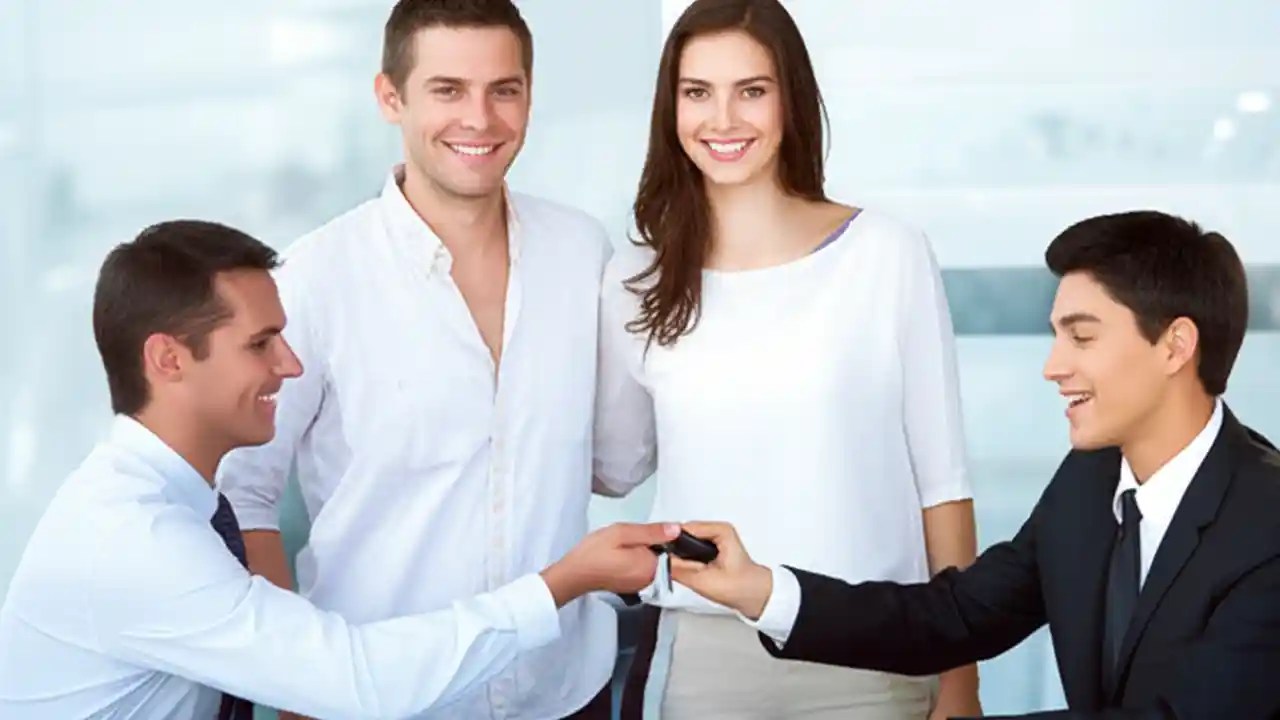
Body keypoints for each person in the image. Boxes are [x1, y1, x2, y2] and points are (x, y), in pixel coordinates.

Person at [0, 220, 677, 719]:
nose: (290, 367)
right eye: (260, 344)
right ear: (169, 361)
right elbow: (354, 681)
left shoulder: (166, 501)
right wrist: (560, 584)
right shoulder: (135, 540)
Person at [670, 211, 1280, 718]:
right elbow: (955, 615)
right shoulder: (1091, 481)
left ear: (1175, 345)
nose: (1053, 366)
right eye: (1055, 336)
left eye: (1082, 337)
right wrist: (761, 589)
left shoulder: (1267, 522)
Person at [215, 1, 621, 718]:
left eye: (504, 89)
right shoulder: (314, 278)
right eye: (447, 90)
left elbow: (612, 462)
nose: (481, 118)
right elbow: (243, 495)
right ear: (389, 97)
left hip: (563, 690)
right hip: (386, 700)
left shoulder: (583, 253)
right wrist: (297, 686)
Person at [593, 0, 980, 717]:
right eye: (698, 92)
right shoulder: (634, 276)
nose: (724, 119)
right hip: (704, 655)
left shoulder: (885, 255)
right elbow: (613, 464)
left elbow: (943, 485)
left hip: (874, 649)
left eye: (752, 90)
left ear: (789, 100)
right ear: (670, 108)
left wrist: (961, 680)